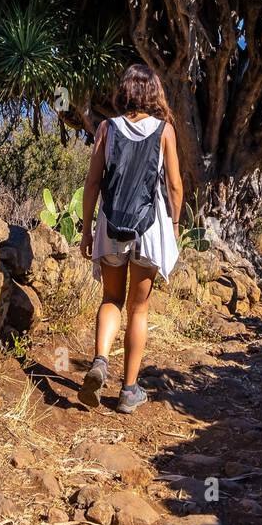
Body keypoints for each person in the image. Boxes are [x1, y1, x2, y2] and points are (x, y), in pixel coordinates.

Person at [77, 64, 183, 413]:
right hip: (150, 230)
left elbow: (92, 183)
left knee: (110, 297)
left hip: (111, 226)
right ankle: (128, 390)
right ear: (153, 93)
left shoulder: (107, 128)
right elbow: (175, 186)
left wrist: (86, 228)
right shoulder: (165, 131)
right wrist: (176, 225)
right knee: (139, 307)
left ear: (124, 92)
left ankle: (100, 361)